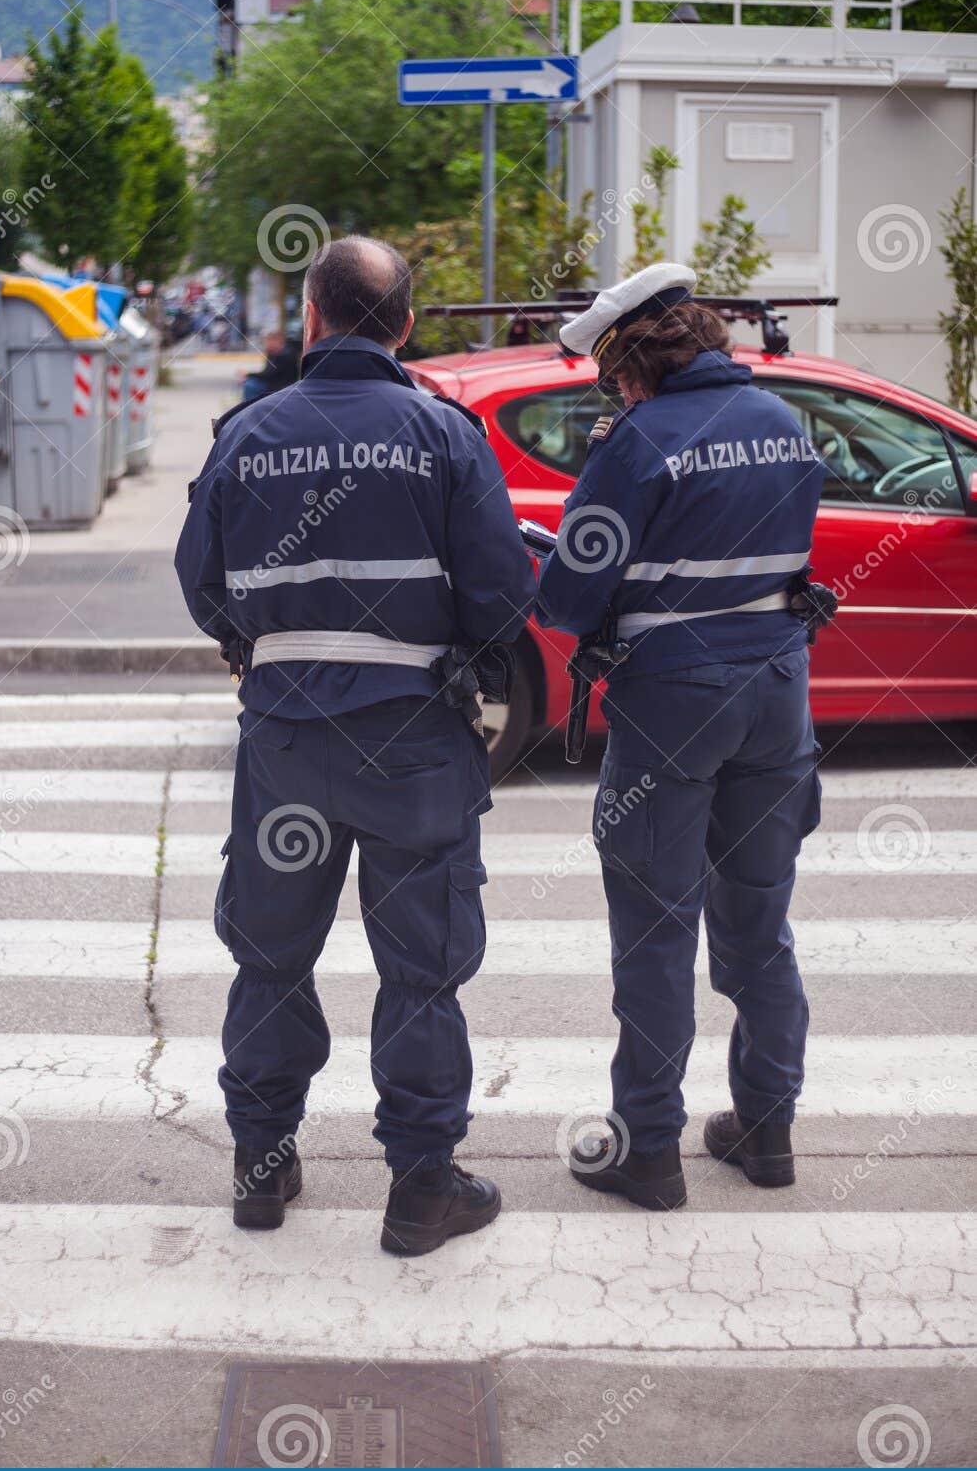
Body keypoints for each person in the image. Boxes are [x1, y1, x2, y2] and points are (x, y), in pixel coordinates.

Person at [175, 234, 536, 1255]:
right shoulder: (443, 434)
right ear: (407, 324)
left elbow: (200, 581)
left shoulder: (248, 433)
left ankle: (260, 1162)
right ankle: (420, 1188)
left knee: (270, 956)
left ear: (311, 319)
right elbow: (504, 597)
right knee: (420, 969)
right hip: (414, 744)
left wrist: (259, 647)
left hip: (285, 742)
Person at [536, 264, 825, 1211]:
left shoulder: (640, 441)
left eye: (609, 375)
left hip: (673, 701)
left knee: (658, 931)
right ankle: (766, 1128)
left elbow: (571, 596)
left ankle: (648, 1150)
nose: (610, 392)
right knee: (759, 923)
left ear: (629, 364)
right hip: (777, 691)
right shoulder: (783, 425)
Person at [241, 326, 301, 403]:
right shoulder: (273, 352)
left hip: (281, 387)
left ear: (279, 341)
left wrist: (248, 374)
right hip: (273, 383)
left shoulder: (285, 354)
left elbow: (267, 374)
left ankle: (249, 407)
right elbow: (267, 372)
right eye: (266, 340)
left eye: (269, 340)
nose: (267, 343)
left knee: (250, 385)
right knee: (249, 382)